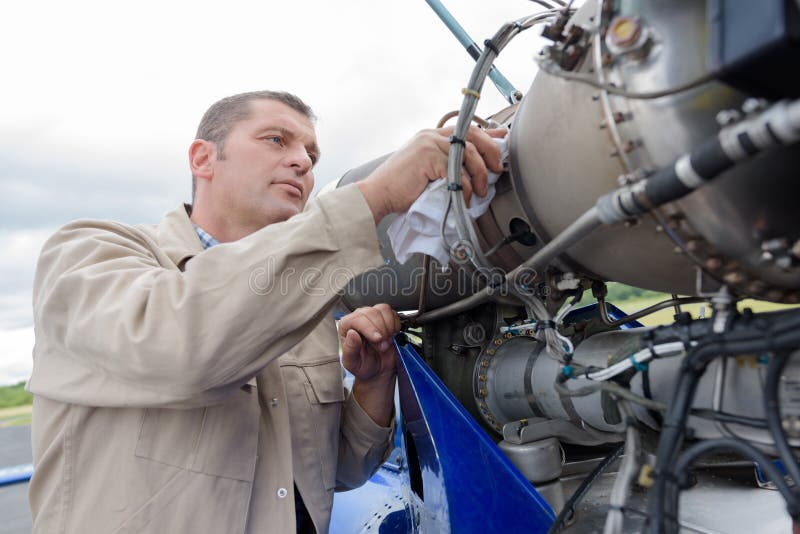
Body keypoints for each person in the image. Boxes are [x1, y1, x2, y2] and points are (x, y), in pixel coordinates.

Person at [28, 90, 504, 533]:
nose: (301, 161)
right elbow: (183, 348)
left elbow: (337, 472)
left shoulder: (307, 306)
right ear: (203, 158)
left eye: (312, 156)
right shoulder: (87, 253)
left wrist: (372, 385)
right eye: (276, 140)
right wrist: (375, 196)